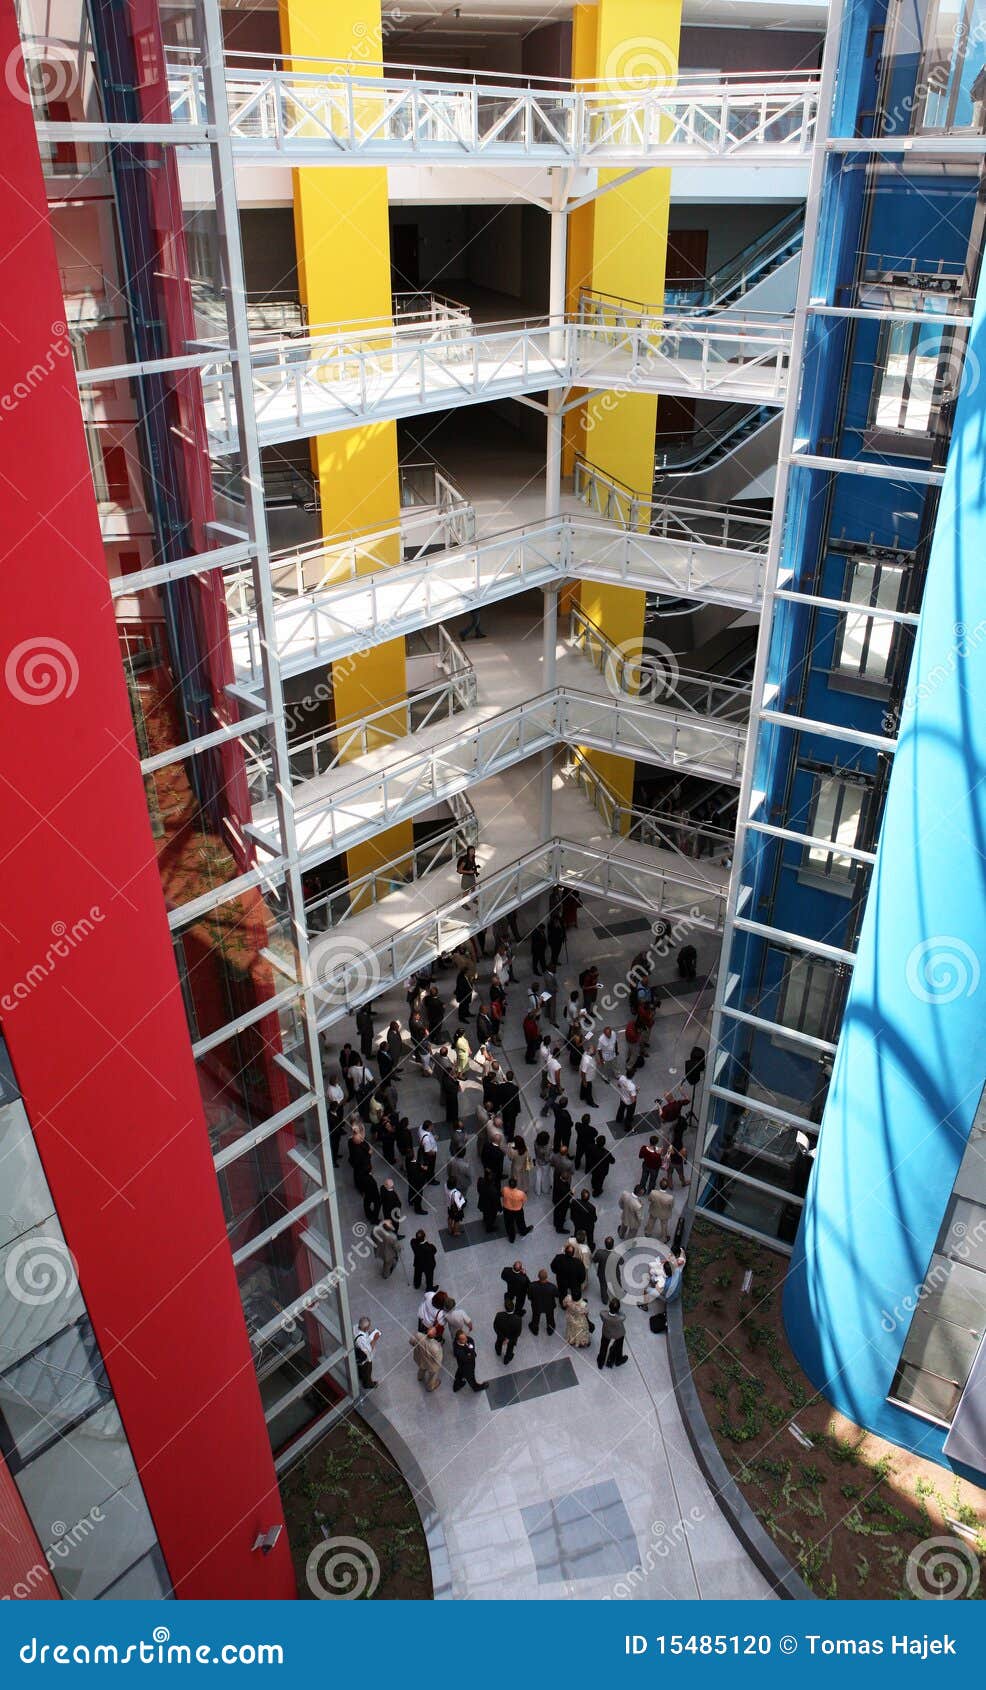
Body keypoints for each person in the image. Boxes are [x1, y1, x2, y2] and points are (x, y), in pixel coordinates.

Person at [643, 1250, 687, 1319]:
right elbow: (682, 1259)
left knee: (646, 1290)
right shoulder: (678, 1271)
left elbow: (662, 1293)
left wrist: (657, 1284)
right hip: (677, 1292)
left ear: (665, 1273)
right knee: (654, 1280)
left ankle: (644, 1306)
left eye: (663, 1269)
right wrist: (681, 1252)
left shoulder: (667, 1284)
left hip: (668, 1298)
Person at [409, 1326, 443, 1391]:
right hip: (431, 1365)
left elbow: (411, 1341)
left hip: (420, 1359)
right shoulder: (436, 1347)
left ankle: (420, 1377)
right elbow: (438, 1361)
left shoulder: (418, 1335)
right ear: (435, 1335)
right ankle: (430, 1387)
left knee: (422, 1368)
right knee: (433, 1376)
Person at [597, 1300, 629, 1369]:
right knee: (619, 1345)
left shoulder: (603, 1314)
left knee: (603, 1346)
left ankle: (600, 1362)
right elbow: (623, 1315)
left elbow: (603, 1313)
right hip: (618, 1334)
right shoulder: (620, 1318)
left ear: (609, 1306)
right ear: (618, 1309)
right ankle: (618, 1359)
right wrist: (617, 1311)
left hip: (606, 1332)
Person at [528, 1269, 560, 1337]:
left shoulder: (532, 1285)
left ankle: (534, 1329)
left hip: (536, 1305)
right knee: (550, 1318)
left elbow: (529, 1296)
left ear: (538, 1276)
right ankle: (550, 1330)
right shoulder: (552, 1287)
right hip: (549, 1306)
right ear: (546, 1277)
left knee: (535, 1317)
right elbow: (557, 1295)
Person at [551, 1145, 574, 1233]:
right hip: (565, 1177)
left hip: (556, 1175)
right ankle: (559, 1227)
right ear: (566, 1152)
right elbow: (572, 1172)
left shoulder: (555, 1156)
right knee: (564, 1192)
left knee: (556, 1188)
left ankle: (554, 1199)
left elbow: (552, 1163)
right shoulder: (569, 1163)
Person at [494, 1296, 523, 1365]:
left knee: (498, 1343)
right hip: (511, 1338)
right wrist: (508, 1339)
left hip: (501, 1335)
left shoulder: (499, 1315)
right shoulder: (518, 1319)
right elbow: (518, 1333)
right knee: (510, 1348)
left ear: (505, 1308)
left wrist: (502, 1336)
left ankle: (498, 1352)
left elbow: (495, 1326)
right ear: (514, 1308)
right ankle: (506, 1360)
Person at [353, 1317, 380, 1391]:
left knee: (360, 1369)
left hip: (358, 1354)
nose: (369, 1328)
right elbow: (369, 1349)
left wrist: (369, 1334)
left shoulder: (355, 1327)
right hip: (366, 1359)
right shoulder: (362, 1340)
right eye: (368, 1327)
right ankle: (368, 1384)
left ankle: (360, 1376)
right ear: (365, 1329)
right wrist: (375, 1339)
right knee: (367, 1371)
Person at [587, 1132, 615, 1198]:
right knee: (600, 1181)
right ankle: (597, 1192)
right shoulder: (607, 1153)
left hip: (593, 1167)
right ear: (604, 1143)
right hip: (602, 1171)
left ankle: (593, 1184)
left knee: (594, 1176)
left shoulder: (592, 1147)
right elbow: (612, 1161)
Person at [592, 1237, 618, 1304]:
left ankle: (604, 1300)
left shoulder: (599, 1252)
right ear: (613, 1244)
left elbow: (594, 1260)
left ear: (605, 1244)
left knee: (603, 1287)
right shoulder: (616, 1255)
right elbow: (622, 1262)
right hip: (613, 1275)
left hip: (602, 1274)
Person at [476, 1169, 501, 1234]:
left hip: (483, 1201)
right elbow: (496, 1200)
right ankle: (489, 1228)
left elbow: (478, 1189)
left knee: (485, 1212)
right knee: (492, 1217)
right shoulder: (493, 1190)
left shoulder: (480, 1181)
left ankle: (485, 1219)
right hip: (490, 1206)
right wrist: (499, 1207)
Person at [498, 1070, 521, 1136]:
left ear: (506, 1077)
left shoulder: (502, 1086)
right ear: (513, 1077)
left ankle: (505, 1131)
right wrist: (518, 1109)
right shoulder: (515, 1088)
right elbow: (517, 1100)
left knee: (505, 1120)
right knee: (512, 1124)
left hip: (504, 1107)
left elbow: (500, 1096)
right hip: (512, 1110)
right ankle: (510, 1138)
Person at [533, 1129, 553, 1197]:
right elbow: (547, 1159)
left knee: (538, 1176)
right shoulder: (546, 1148)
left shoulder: (535, 1143)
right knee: (545, 1176)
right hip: (545, 1164)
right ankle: (545, 1189)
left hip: (538, 1161)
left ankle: (537, 1190)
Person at [579, 1044, 598, 1109]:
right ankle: (590, 1102)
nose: (596, 1051)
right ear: (591, 1052)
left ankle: (582, 1095)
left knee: (583, 1086)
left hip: (587, 1076)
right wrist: (584, 1081)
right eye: (595, 1051)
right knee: (588, 1090)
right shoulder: (586, 1061)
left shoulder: (586, 1053)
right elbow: (583, 1072)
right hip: (587, 1078)